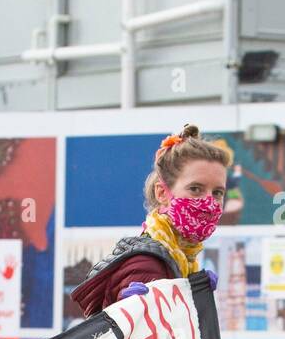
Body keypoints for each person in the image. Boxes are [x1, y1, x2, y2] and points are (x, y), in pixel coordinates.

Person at [71, 124, 230, 317]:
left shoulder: (181, 259)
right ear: (162, 193)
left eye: (217, 192)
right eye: (195, 189)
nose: (208, 202)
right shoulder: (147, 264)